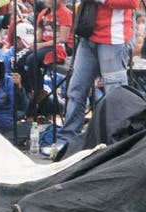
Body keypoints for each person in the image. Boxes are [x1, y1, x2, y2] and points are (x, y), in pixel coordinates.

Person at [46, 0, 139, 157]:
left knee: (115, 96)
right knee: (76, 90)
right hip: (89, 37)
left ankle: (117, 143)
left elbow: (132, 3)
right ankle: (67, 139)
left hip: (113, 39)